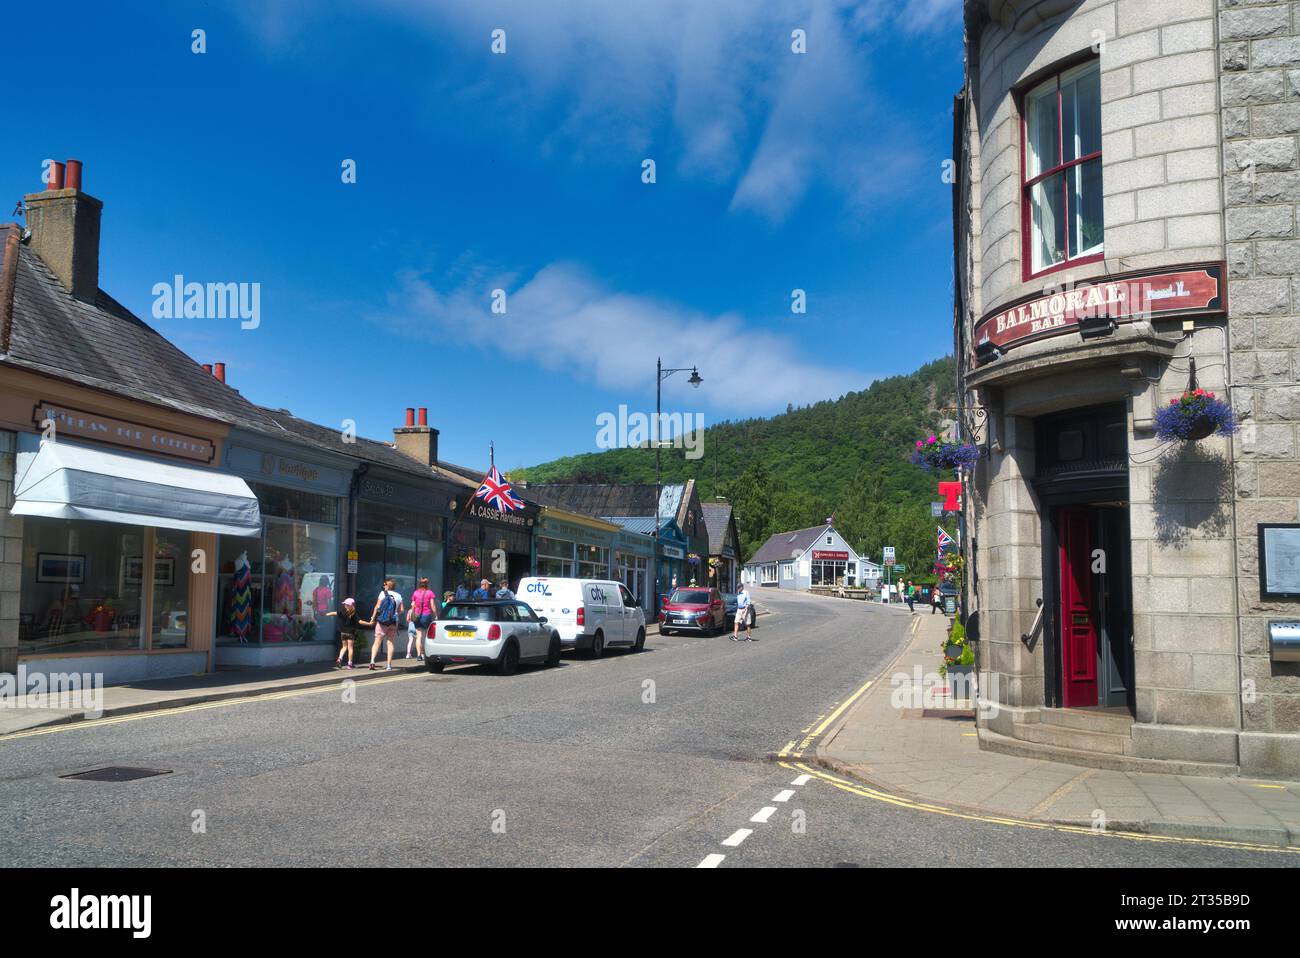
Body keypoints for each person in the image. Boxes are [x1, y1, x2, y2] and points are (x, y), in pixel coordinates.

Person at [367, 579, 404, 671]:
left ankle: (372, 662)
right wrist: (395, 614)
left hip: (382, 621)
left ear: (387, 585)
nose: (383, 586)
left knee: (377, 642)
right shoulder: (399, 596)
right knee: (390, 643)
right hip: (393, 622)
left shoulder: (382, 593)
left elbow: (377, 606)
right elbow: (402, 610)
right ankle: (388, 665)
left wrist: (373, 617)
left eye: (384, 584)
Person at [325, 598, 367, 670]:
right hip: (350, 633)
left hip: (343, 633)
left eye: (345, 604)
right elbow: (360, 621)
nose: (344, 605)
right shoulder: (354, 613)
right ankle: (350, 664)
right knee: (350, 648)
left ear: (347, 605)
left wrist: (327, 614)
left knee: (344, 647)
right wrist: (369, 624)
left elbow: (335, 613)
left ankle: (339, 659)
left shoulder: (342, 611)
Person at [407, 577, 437, 659]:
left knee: (419, 636)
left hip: (417, 616)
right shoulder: (430, 593)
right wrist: (436, 615)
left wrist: (411, 612)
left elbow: (412, 604)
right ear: (427, 584)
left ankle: (419, 655)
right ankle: (425, 653)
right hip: (426, 615)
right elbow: (432, 605)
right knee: (426, 635)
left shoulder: (415, 593)